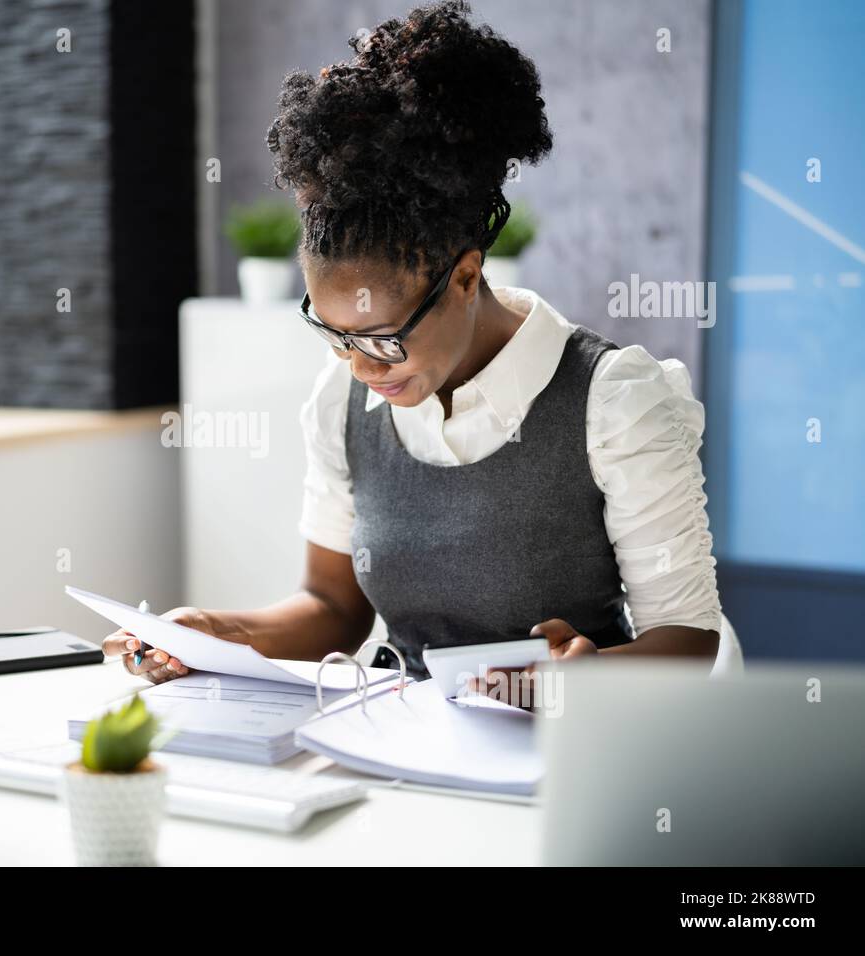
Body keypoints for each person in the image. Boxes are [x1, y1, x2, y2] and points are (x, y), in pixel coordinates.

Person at [104, 1, 720, 693]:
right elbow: (334, 609)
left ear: (464, 276)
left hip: (560, 754)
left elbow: (687, 640)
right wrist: (221, 632)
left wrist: (577, 680)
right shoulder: (340, 399)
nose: (362, 368)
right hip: (391, 736)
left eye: (382, 339)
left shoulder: (612, 402)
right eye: (335, 336)